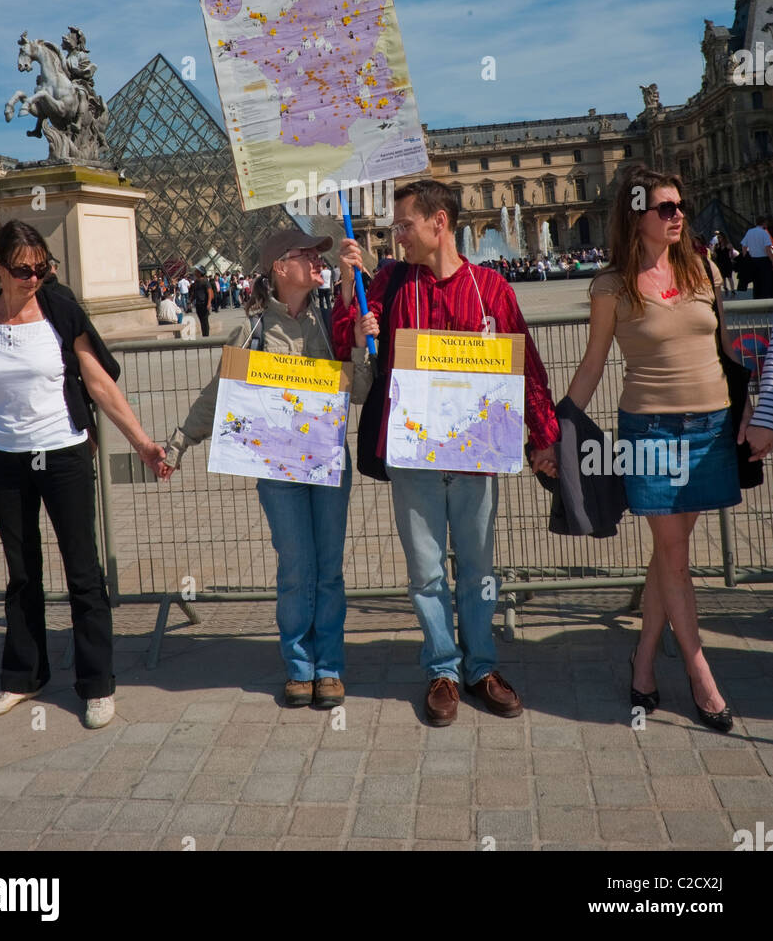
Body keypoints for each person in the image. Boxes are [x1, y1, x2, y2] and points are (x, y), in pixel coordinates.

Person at [0, 220, 168, 729]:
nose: (35, 277)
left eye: (42, 267)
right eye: (24, 269)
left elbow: (98, 383)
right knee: (22, 573)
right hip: (4, 458)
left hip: (64, 454)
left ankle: (97, 685)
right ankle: (22, 677)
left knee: (83, 573)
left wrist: (142, 442)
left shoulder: (60, 309)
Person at [333, 180, 559, 727]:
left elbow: (524, 364)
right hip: (414, 457)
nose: (397, 235)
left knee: (480, 566)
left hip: (477, 454)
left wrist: (543, 436)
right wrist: (346, 284)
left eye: (405, 225)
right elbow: (345, 341)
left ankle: (482, 666)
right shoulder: (389, 282)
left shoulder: (492, 286)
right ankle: (443, 670)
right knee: (427, 571)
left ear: (439, 222)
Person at [566, 167, 751, 733]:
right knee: (675, 558)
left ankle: (643, 660)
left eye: (680, 206)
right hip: (650, 433)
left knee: (670, 555)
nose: (677, 216)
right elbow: (594, 364)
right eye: (664, 208)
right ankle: (700, 674)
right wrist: (558, 427)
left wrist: (754, 409)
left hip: (713, 429)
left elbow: (726, 347)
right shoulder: (611, 286)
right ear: (636, 214)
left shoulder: (705, 269)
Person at [161, 228, 377, 708]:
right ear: (280, 267)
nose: (318, 262)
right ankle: (300, 666)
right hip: (279, 471)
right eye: (308, 255)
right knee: (297, 567)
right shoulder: (251, 332)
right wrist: (177, 444)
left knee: (329, 569)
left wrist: (360, 343)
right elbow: (216, 396)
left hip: (327, 465)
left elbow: (358, 391)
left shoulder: (331, 321)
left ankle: (331, 667)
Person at [740, 217, 773, 300]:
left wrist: (745, 257)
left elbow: (744, 246)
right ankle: (766, 296)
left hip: (753, 259)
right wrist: (772, 260)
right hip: (764, 259)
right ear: (764, 223)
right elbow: (767, 249)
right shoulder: (764, 233)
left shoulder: (749, 232)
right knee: (766, 280)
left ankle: (757, 296)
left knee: (756, 280)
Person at [189, 269, 211, 337]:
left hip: (204, 304)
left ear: (200, 273)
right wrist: (190, 302)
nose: (195, 273)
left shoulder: (205, 282)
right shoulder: (196, 282)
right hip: (198, 304)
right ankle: (204, 335)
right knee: (201, 321)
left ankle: (206, 335)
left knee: (205, 320)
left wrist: (209, 303)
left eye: (196, 271)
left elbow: (209, 292)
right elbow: (194, 294)